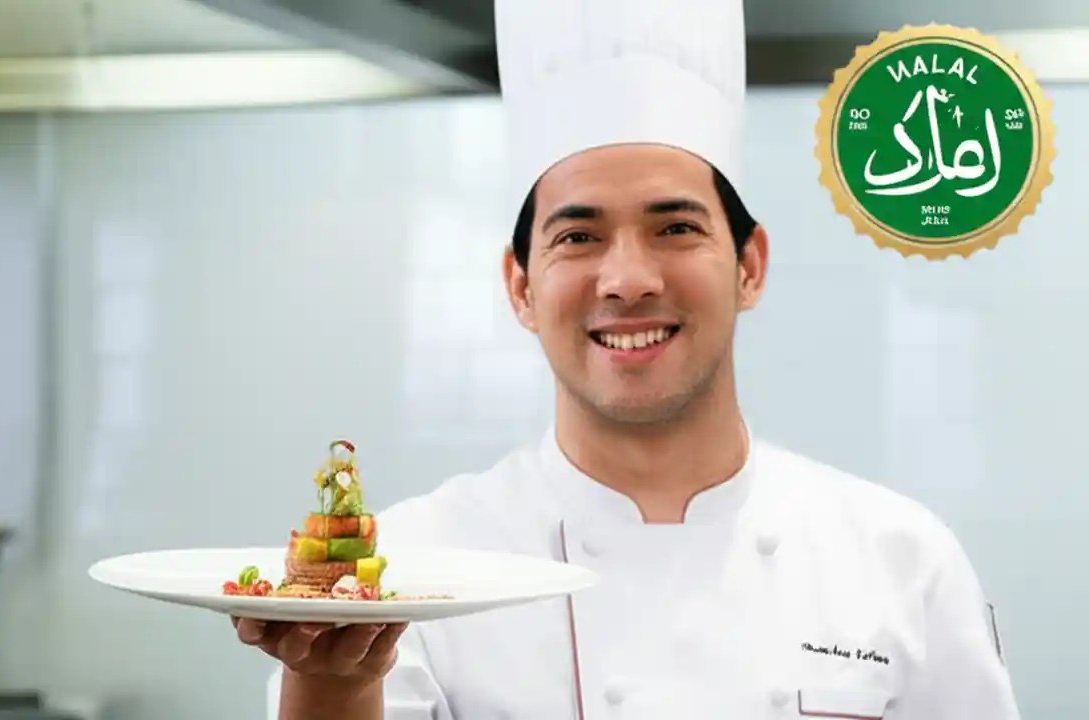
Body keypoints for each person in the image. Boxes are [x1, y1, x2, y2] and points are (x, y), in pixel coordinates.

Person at [236, 0, 1023, 717]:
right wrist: (330, 680)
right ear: (520, 287)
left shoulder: (899, 560)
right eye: (578, 237)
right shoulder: (410, 572)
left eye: (676, 228)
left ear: (750, 265)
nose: (628, 280)